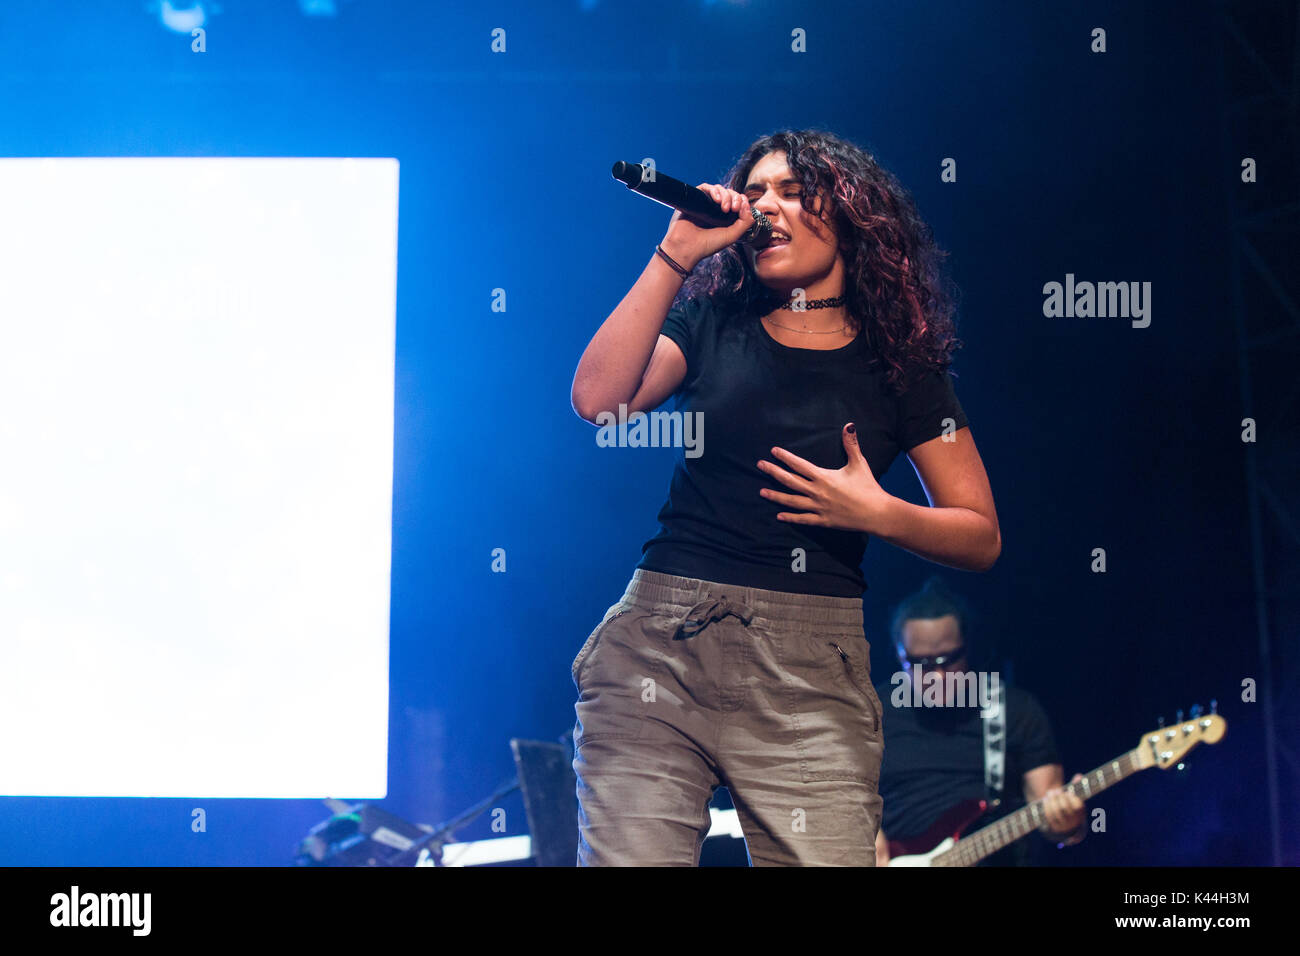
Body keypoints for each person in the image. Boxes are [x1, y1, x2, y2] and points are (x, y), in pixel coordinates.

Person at [568, 128, 1000, 866]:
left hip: (810, 668)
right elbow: (598, 399)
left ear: (856, 217)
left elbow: (980, 535)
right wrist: (676, 254)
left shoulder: (901, 368)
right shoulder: (710, 323)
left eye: (795, 193)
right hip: (661, 644)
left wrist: (879, 514)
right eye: (757, 190)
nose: (767, 205)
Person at [873, 578, 1086, 866]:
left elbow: (1048, 809)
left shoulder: (1015, 710)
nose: (938, 675)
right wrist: (863, 832)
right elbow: (835, 793)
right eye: (922, 663)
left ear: (967, 647)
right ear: (900, 656)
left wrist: (1066, 824)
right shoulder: (872, 713)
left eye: (949, 659)